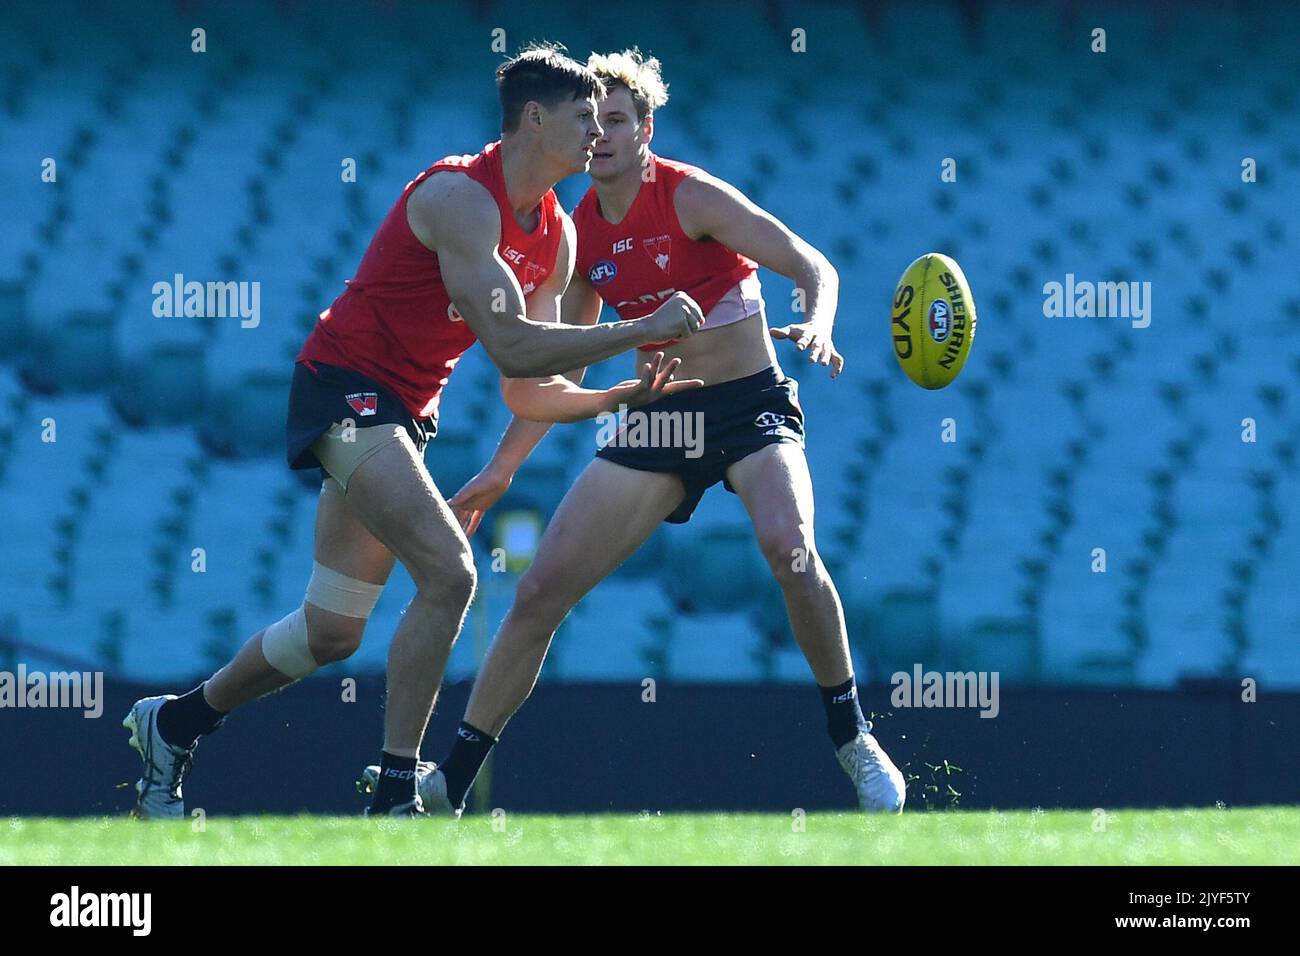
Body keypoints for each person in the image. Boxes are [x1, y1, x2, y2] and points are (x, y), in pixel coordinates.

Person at [124, 44, 705, 819]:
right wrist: (640, 326)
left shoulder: (556, 234)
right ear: (535, 120)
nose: (597, 133)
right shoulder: (460, 198)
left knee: (330, 633)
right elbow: (514, 346)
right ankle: (399, 793)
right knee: (452, 574)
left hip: (406, 412)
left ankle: (173, 722)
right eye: (583, 118)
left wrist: (620, 395)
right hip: (348, 391)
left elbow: (527, 387)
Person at [367, 49, 905, 816]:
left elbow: (811, 263)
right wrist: (501, 469)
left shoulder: (690, 197)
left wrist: (818, 322)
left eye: (617, 119)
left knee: (790, 548)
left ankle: (853, 738)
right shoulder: (577, 236)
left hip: (747, 406)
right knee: (542, 590)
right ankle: (452, 779)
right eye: (594, 121)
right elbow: (559, 370)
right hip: (661, 419)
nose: (602, 135)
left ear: (646, 129)